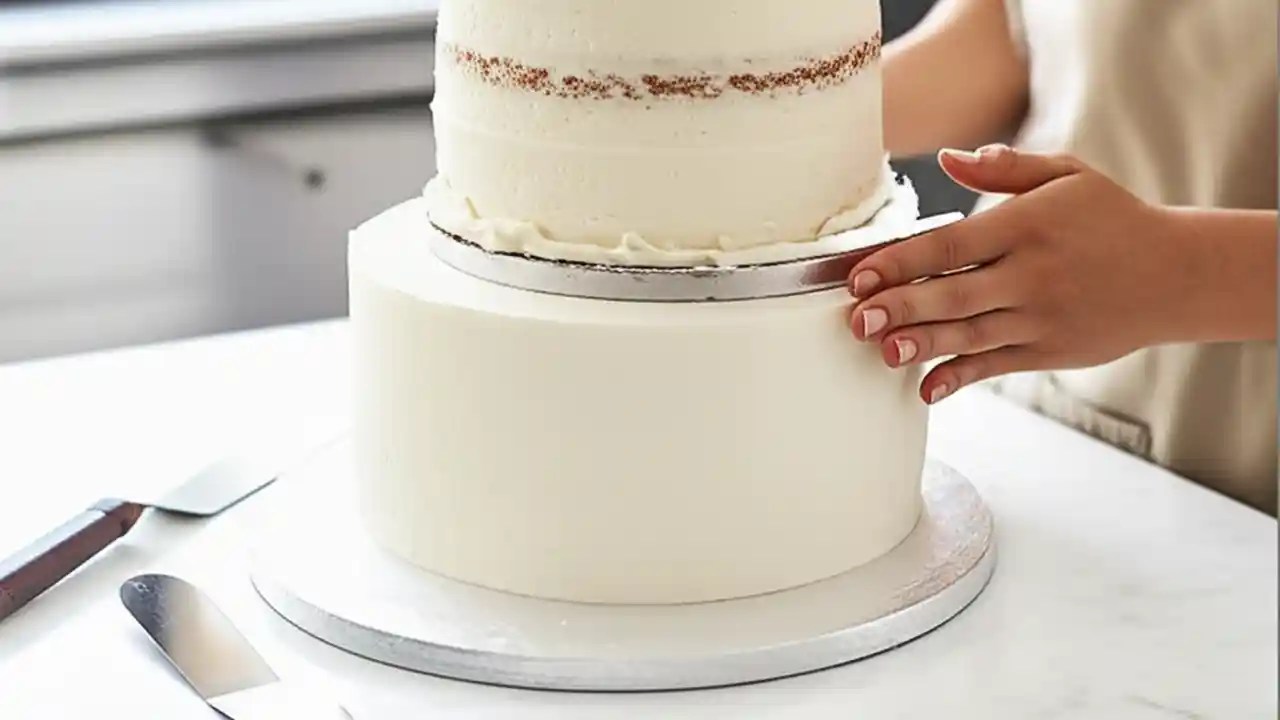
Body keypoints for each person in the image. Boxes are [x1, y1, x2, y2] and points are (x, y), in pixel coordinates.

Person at [853, 0, 1277, 514]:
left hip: (1242, 481)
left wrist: (1178, 271)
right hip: (1028, 429)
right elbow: (1023, 35)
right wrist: (780, 123)